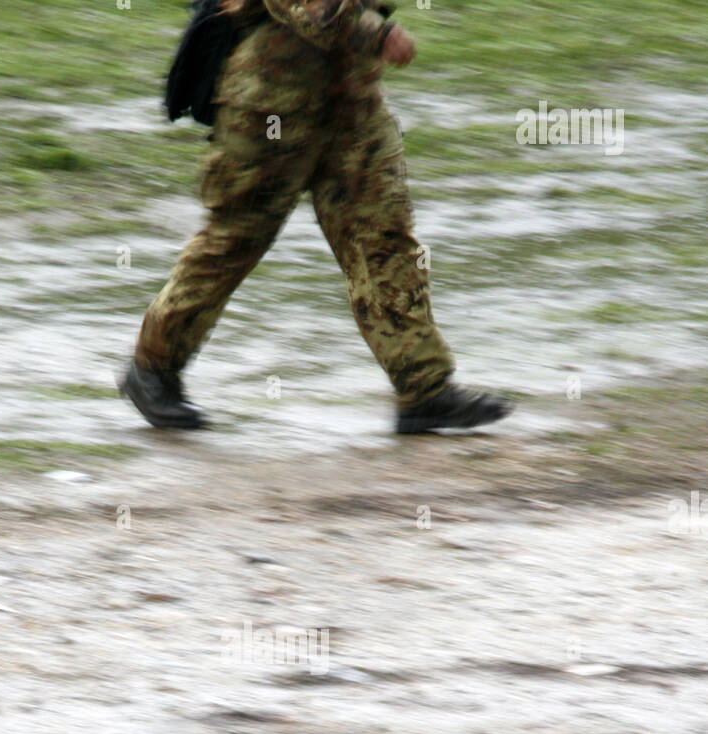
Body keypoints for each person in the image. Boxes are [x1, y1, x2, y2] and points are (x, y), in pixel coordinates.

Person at [121, 0, 512, 433]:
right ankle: (152, 368)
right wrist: (378, 34)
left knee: (383, 241)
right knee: (233, 242)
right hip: (270, 108)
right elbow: (312, 11)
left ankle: (424, 388)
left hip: (352, 104)